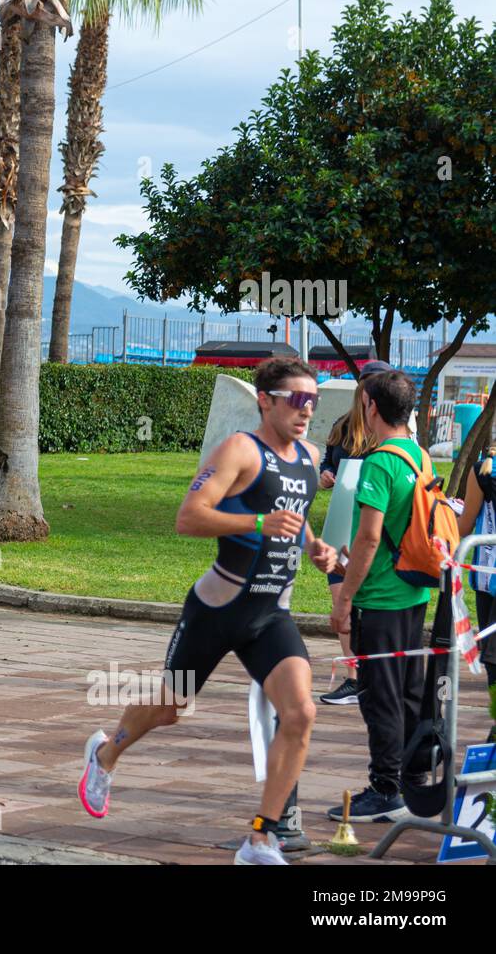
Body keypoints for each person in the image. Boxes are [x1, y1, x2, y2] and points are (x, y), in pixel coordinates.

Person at [77, 358, 336, 865]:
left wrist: (315, 546)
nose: (306, 411)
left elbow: (295, 518)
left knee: (301, 711)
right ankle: (105, 754)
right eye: (296, 399)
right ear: (266, 399)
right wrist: (260, 524)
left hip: (271, 616)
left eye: (314, 401)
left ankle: (260, 838)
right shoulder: (241, 450)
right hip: (217, 610)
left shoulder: (309, 456)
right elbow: (188, 517)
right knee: (171, 708)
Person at [330, 370, 435, 824]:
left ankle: (385, 789)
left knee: (381, 697)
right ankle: (414, 781)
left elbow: (370, 539)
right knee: (410, 691)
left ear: (371, 406)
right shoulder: (419, 455)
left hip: (381, 597)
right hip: (413, 590)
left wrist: (344, 598)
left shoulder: (378, 462)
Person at [318, 372, 383, 705]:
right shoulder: (342, 426)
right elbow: (327, 464)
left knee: (369, 605)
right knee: (341, 598)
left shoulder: (389, 432)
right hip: (342, 524)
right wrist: (325, 475)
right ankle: (354, 678)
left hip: (374, 527)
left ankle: (375, 676)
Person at [455, 445, 496, 746]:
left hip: (489, 576)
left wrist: (441, 516)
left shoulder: (484, 469)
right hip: (488, 578)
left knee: (494, 661)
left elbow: (464, 525)